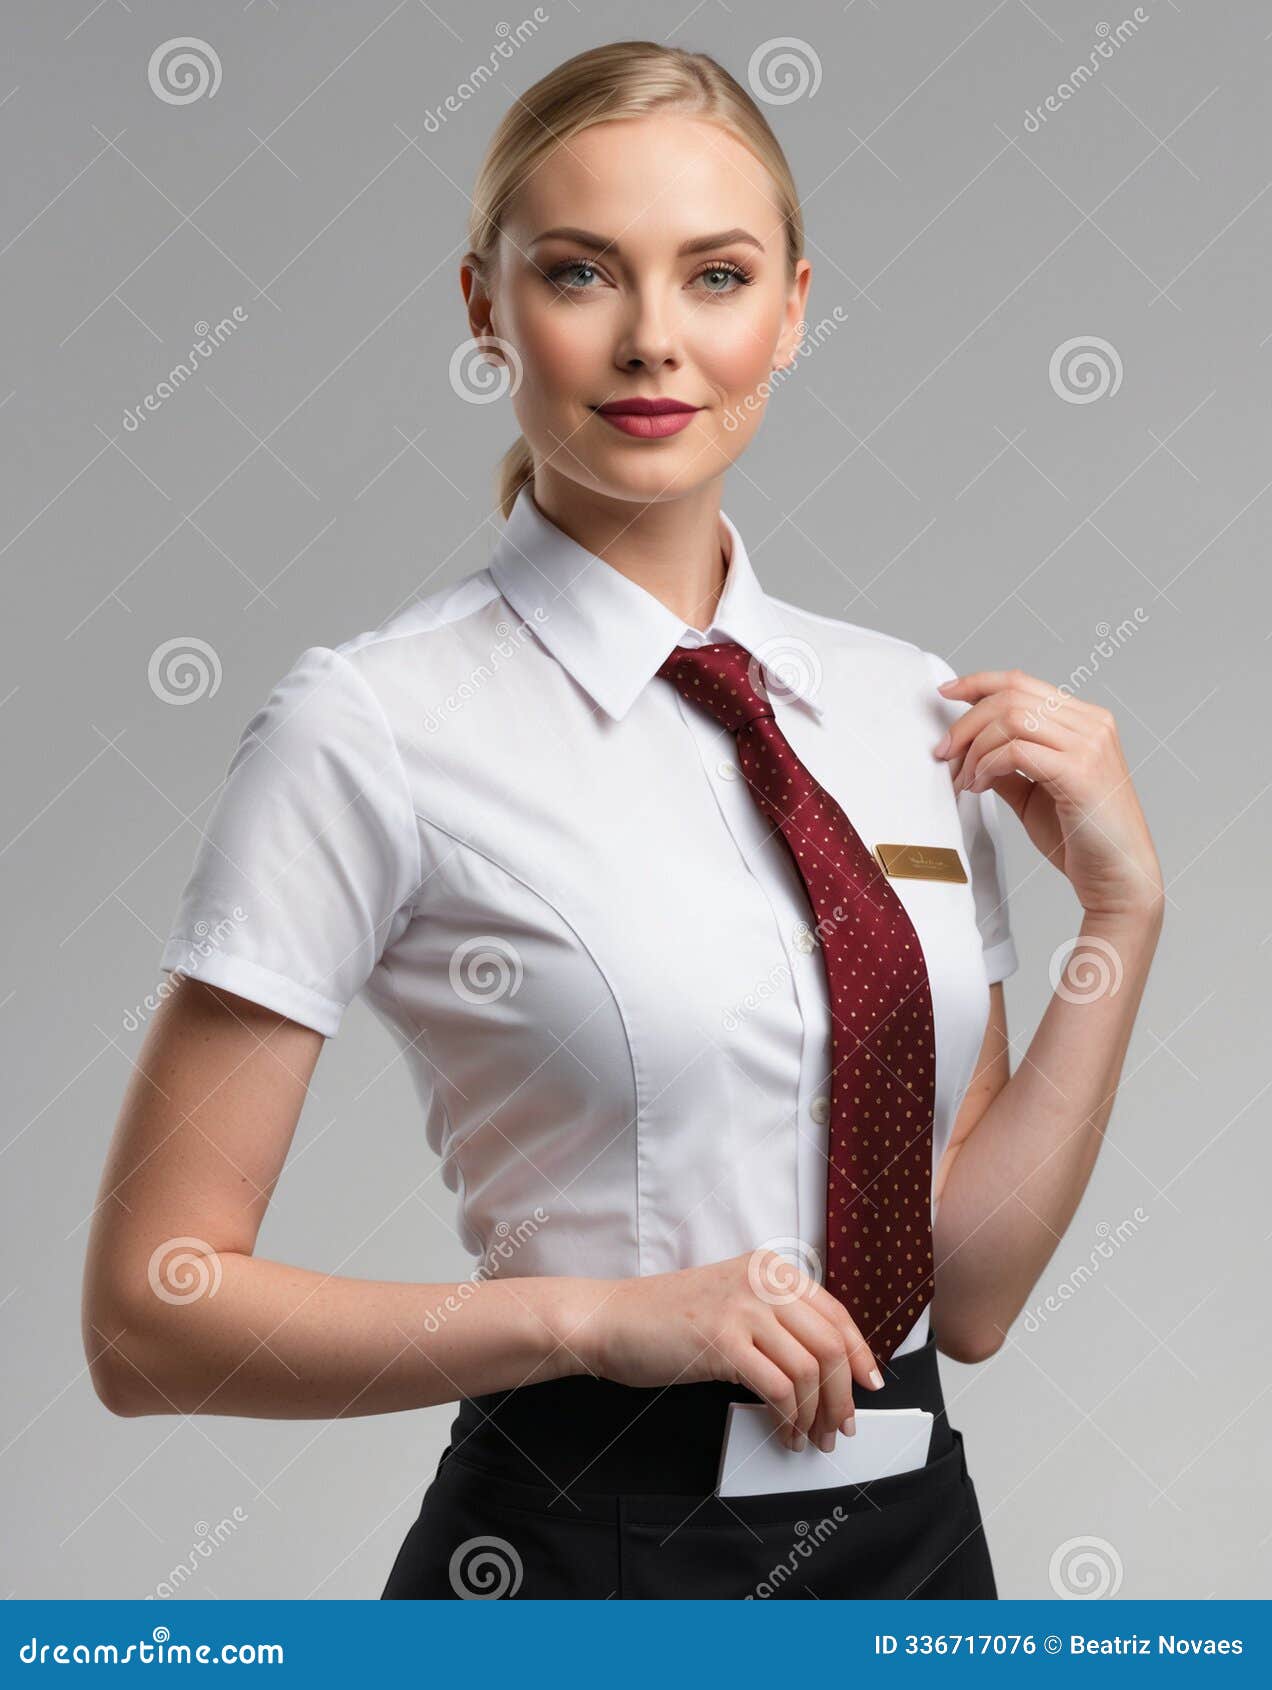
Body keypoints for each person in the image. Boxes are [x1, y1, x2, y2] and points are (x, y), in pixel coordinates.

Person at [81, 40, 1165, 1601]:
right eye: (582, 272)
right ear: (484, 307)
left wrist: (1121, 922)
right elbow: (144, 1316)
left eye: (716, 276)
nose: (656, 340)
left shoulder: (903, 708)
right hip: (579, 1550)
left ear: (792, 308)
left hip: (918, 1544)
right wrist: (593, 1317)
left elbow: (969, 1292)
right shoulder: (374, 724)